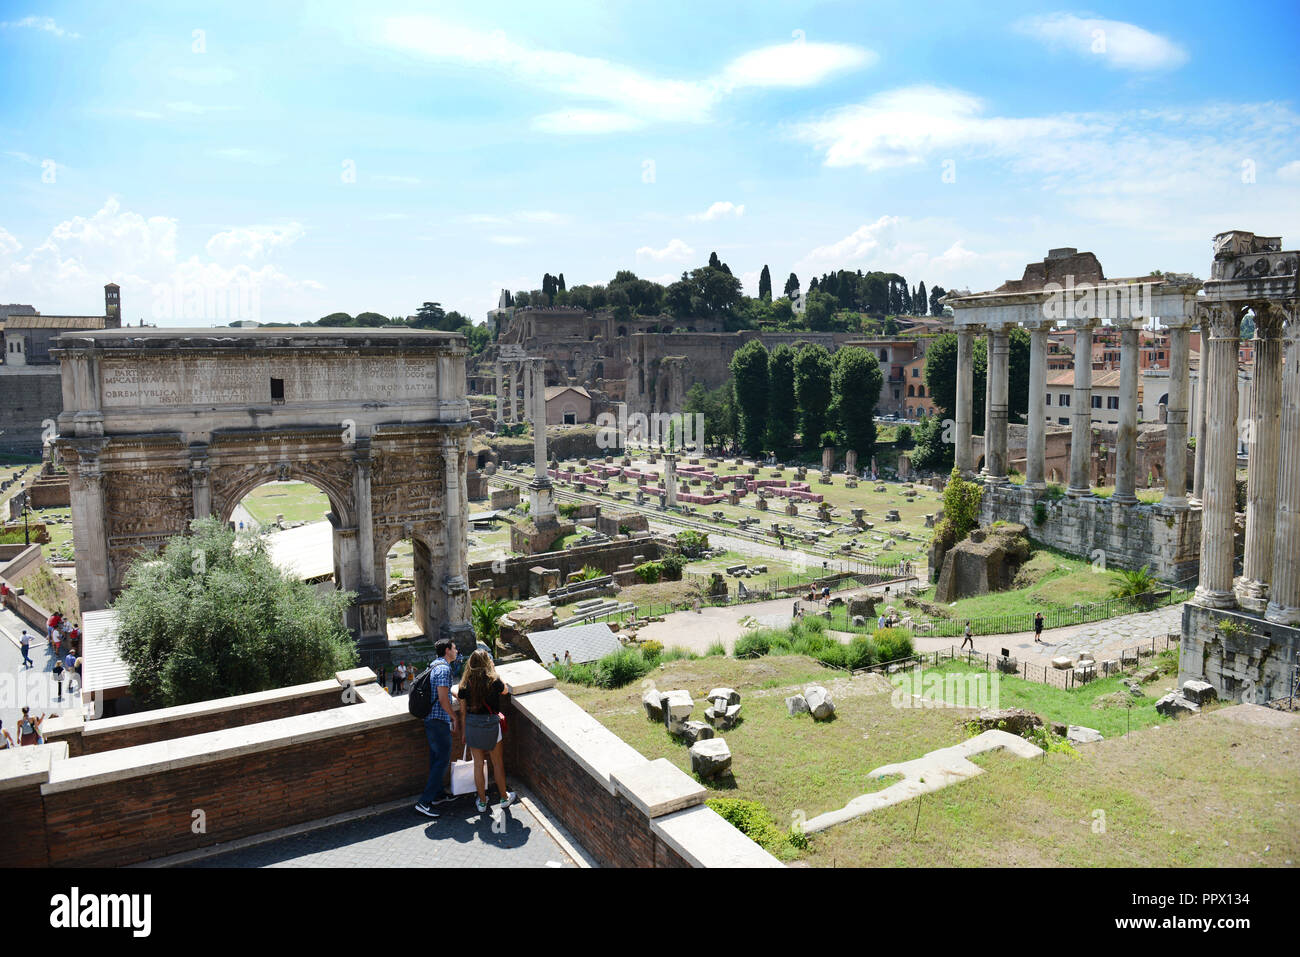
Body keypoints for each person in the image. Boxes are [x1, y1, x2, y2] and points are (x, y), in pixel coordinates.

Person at [457, 649, 516, 814]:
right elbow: (504, 690)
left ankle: (482, 802)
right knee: (497, 763)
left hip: (472, 725)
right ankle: (504, 797)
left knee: (478, 764)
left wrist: (463, 731)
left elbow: (462, 704)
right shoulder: (493, 680)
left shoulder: (466, 683)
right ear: (487, 663)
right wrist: (494, 671)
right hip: (490, 725)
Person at [414, 639, 459, 818]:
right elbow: (442, 698)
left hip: (431, 719)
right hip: (438, 720)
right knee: (442, 760)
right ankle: (424, 802)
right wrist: (454, 717)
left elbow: (442, 693)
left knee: (436, 759)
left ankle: (438, 794)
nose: (456, 651)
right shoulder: (443, 669)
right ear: (447, 650)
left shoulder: (434, 665)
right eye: (454, 648)